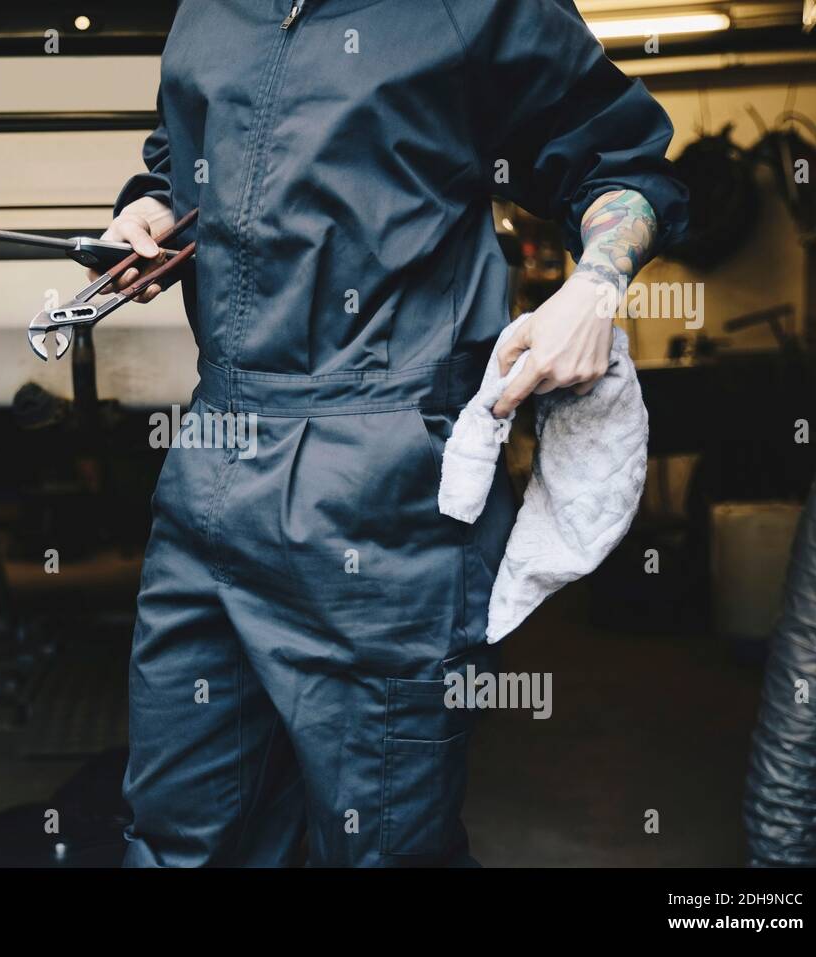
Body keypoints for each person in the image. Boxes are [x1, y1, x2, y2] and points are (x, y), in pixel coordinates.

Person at [96, 0, 689, 866]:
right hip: (212, 458)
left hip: (382, 491)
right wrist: (153, 212)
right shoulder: (208, 12)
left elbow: (622, 162)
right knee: (178, 836)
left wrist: (595, 286)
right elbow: (179, 159)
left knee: (383, 844)